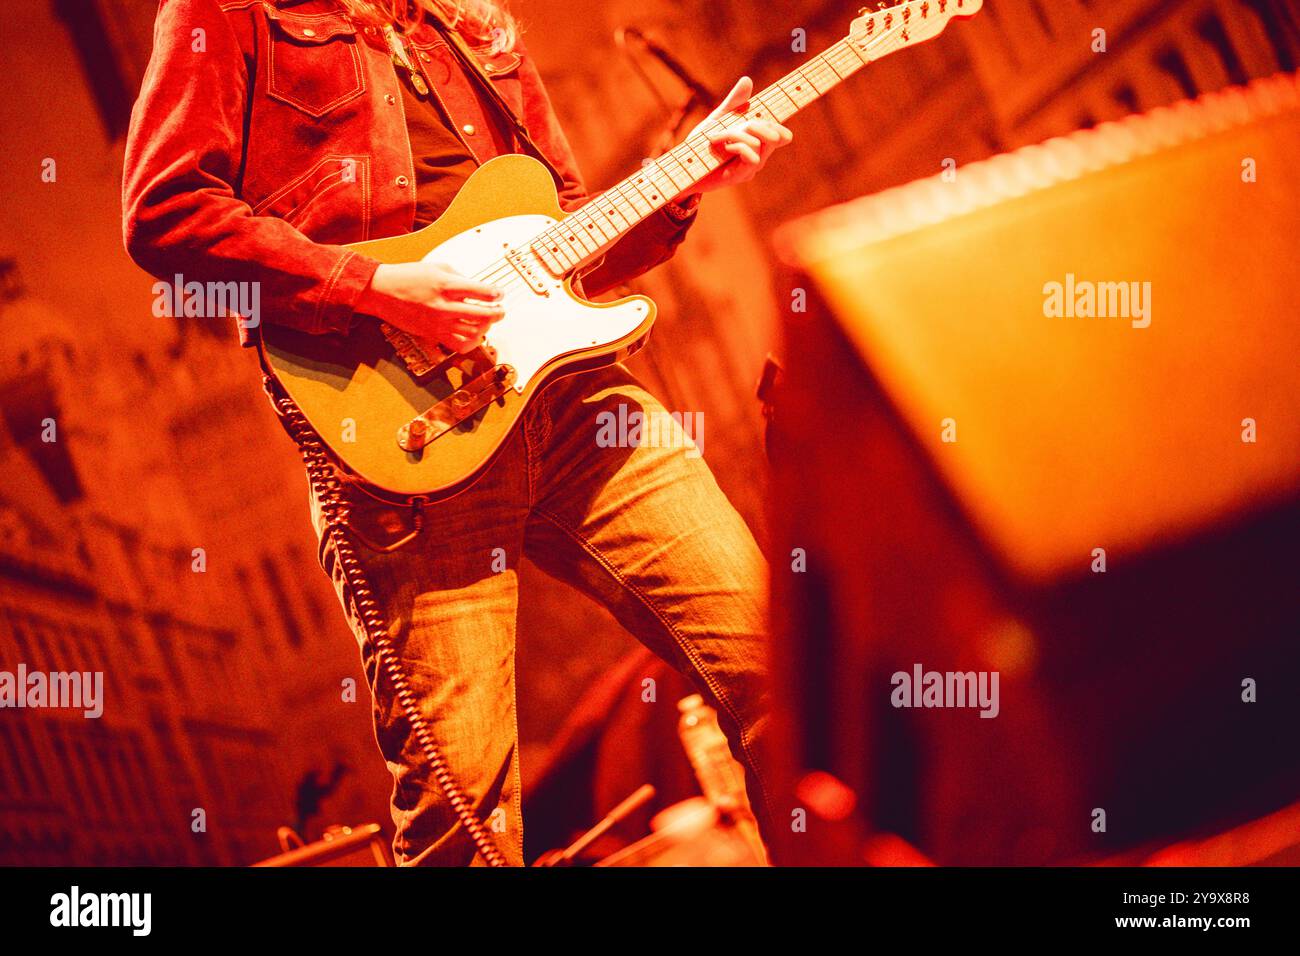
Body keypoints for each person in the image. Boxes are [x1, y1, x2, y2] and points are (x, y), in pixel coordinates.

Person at [123, 0, 792, 865]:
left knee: (778, 682)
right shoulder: (228, 12)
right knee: (465, 824)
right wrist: (373, 286)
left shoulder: (472, 17)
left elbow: (570, 228)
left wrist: (681, 185)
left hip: (573, 401)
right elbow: (164, 210)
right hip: (408, 440)